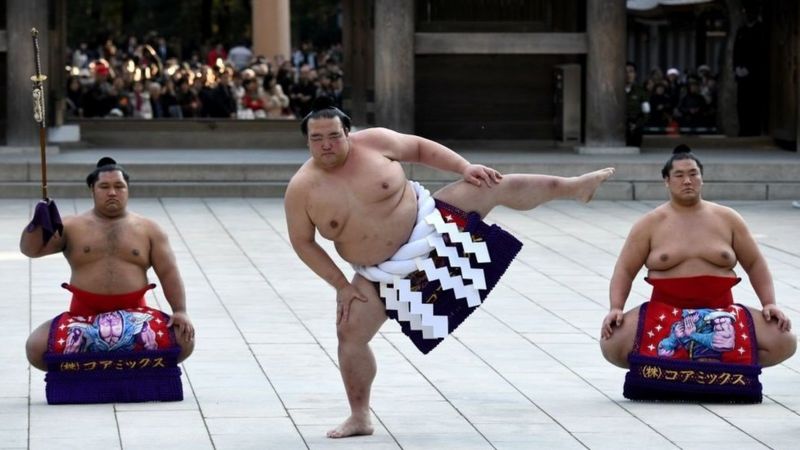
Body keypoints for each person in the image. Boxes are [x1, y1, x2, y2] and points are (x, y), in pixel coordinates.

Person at [284, 98, 614, 438]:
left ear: (348, 132)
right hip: (380, 271)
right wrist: (341, 285)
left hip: (431, 225)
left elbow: (419, 148)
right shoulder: (301, 189)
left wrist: (463, 168)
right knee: (349, 335)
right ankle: (359, 416)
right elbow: (302, 241)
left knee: (490, 183)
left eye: (334, 136)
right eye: (317, 138)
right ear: (307, 141)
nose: (326, 144)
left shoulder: (376, 143)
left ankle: (575, 187)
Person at [600, 145, 795, 380]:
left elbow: (755, 264)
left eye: (693, 174)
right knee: (612, 344)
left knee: (784, 340)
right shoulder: (649, 223)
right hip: (665, 313)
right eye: (679, 175)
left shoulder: (728, 218)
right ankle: (689, 367)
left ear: (702, 178)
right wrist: (616, 308)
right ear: (666, 181)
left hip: (721, 315)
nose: (687, 181)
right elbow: (624, 269)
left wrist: (769, 303)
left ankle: (719, 369)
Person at [21, 157, 195, 371]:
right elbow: (31, 250)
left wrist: (180, 310)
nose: (112, 192)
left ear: (127, 190)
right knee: (36, 347)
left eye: (119, 186)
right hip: (82, 317)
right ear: (91, 190)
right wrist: (39, 221)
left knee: (184, 339)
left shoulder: (149, 229)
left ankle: (112, 368)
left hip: (136, 318)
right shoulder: (71, 226)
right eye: (104, 186)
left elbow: (169, 272)